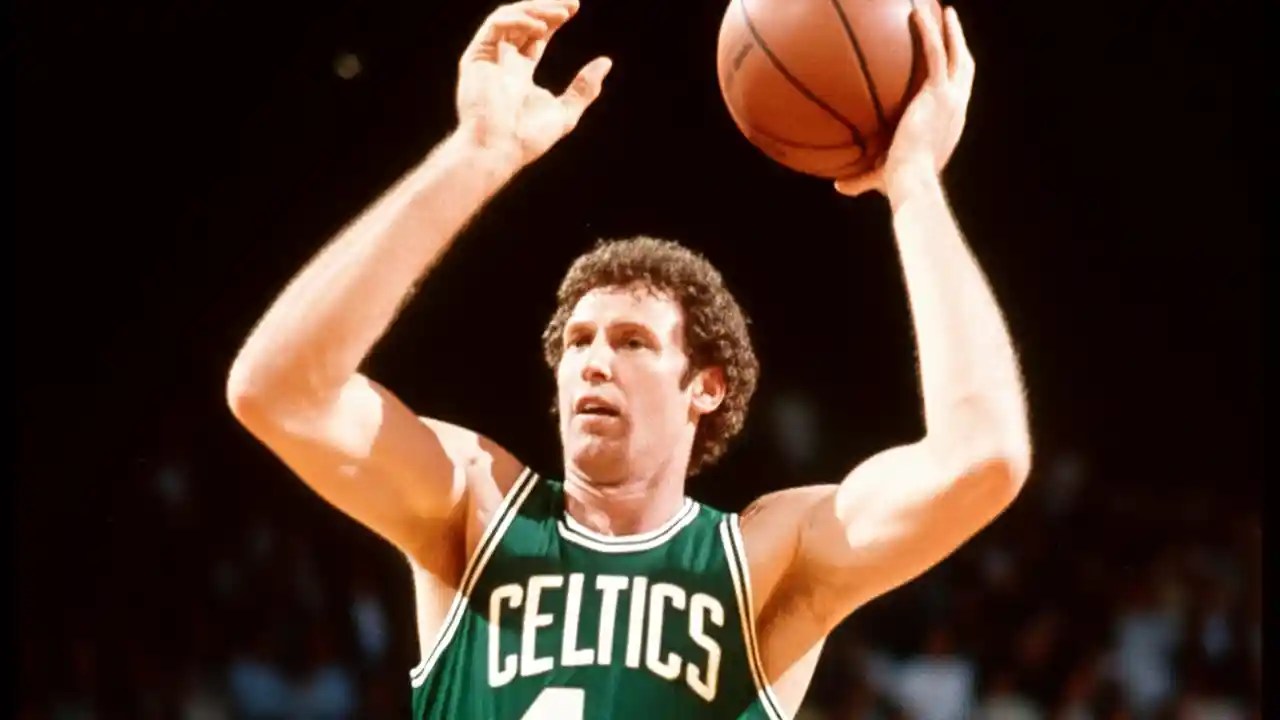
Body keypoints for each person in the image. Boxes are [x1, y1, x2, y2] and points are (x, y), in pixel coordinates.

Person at [225, 1, 1032, 718]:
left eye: (633, 341)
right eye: (577, 342)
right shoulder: (472, 508)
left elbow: (984, 456)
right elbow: (278, 389)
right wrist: (474, 157)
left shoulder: (765, 561)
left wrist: (915, 182)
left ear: (705, 388)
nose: (592, 362)